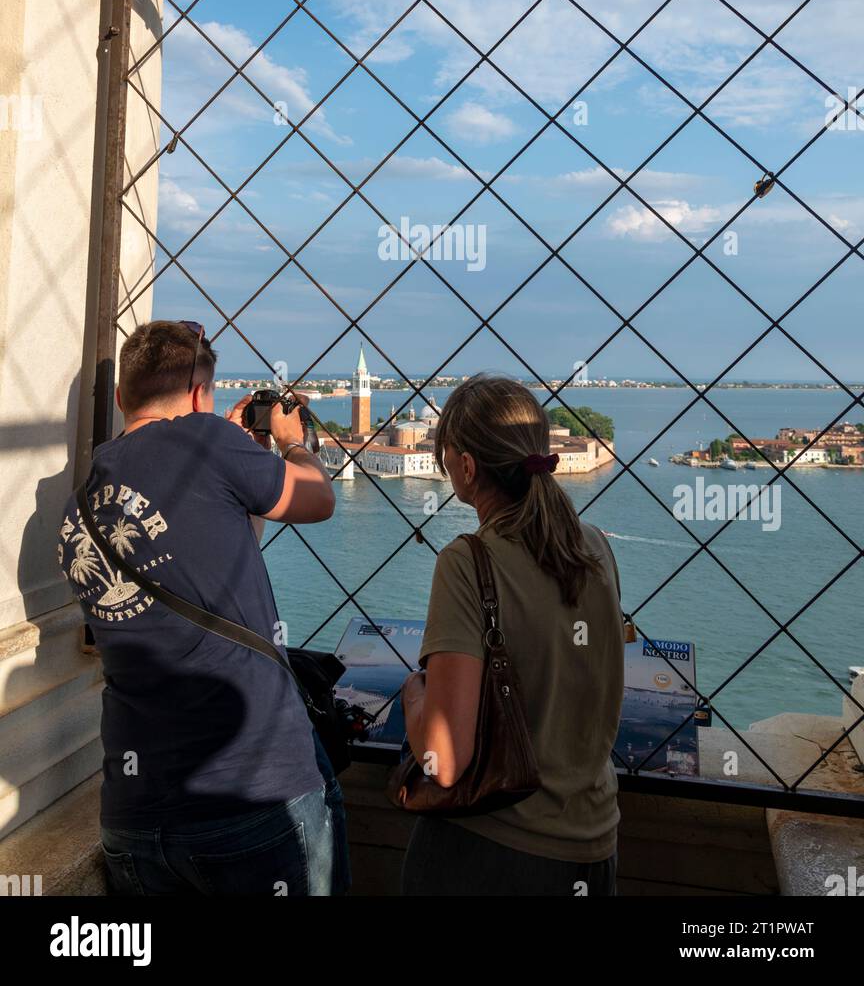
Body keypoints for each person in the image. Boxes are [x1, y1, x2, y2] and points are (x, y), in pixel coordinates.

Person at [58, 319, 349, 896]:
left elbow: (220, 557)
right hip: (252, 797)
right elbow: (319, 500)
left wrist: (246, 459)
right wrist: (289, 442)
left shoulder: (81, 502)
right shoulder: (209, 440)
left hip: (135, 815)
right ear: (197, 395)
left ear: (121, 398)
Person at [400, 375, 625, 897]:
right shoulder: (595, 548)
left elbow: (445, 759)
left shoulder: (466, 562)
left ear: (466, 468)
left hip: (493, 851)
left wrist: (416, 698)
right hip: (594, 847)